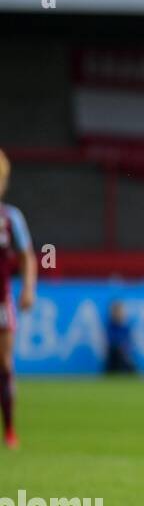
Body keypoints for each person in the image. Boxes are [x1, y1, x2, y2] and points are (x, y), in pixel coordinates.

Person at [0, 150, 35, 448]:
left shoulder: (11, 218)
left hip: (2, 303)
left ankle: (9, 429)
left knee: (5, 363)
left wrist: (28, 288)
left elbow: (27, 257)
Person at [105, 300, 137, 375]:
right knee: (117, 352)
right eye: (117, 312)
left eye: (120, 312)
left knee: (127, 358)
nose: (119, 314)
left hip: (124, 354)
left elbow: (129, 341)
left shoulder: (125, 327)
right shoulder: (110, 327)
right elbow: (110, 341)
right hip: (114, 354)